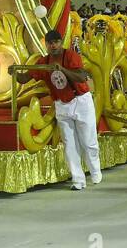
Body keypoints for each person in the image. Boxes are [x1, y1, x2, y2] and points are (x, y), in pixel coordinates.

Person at [26, 29, 100, 190]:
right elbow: (26, 77)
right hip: (61, 105)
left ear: (61, 42)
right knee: (69, 144)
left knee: (88, 142)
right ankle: (78, 180)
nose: (53, 46)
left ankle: (95, 172)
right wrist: (15, 72)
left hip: (81, 101)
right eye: (50, 43)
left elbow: (81, 77)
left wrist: (62, 69)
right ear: (45, 44)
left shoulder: (71, 55)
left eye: (56, 42)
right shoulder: (43, 61)